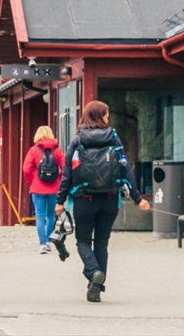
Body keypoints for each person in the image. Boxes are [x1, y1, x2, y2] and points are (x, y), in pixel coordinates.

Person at [56, 101, 149, 303]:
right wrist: (137, 198)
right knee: (101, 243)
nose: (108, 119)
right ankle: (95, 285)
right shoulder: (114, 138)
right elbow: (125, 169)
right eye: (106, 116)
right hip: (109, 199)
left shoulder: (78, 140)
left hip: (84, 199)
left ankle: (93, 271)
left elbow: (68, 174)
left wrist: (60, 201)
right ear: (99, 116)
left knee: (82, 241)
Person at [22, 125, 65, 254]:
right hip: (54, 188)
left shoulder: (34, 150)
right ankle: (48, 241)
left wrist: (32, 181)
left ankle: (42, 244)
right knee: (51, 215)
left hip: (37, 188)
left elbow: (26, 169)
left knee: (40, 216)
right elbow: (65, 168)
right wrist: (60, 180)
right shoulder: (57, 150)